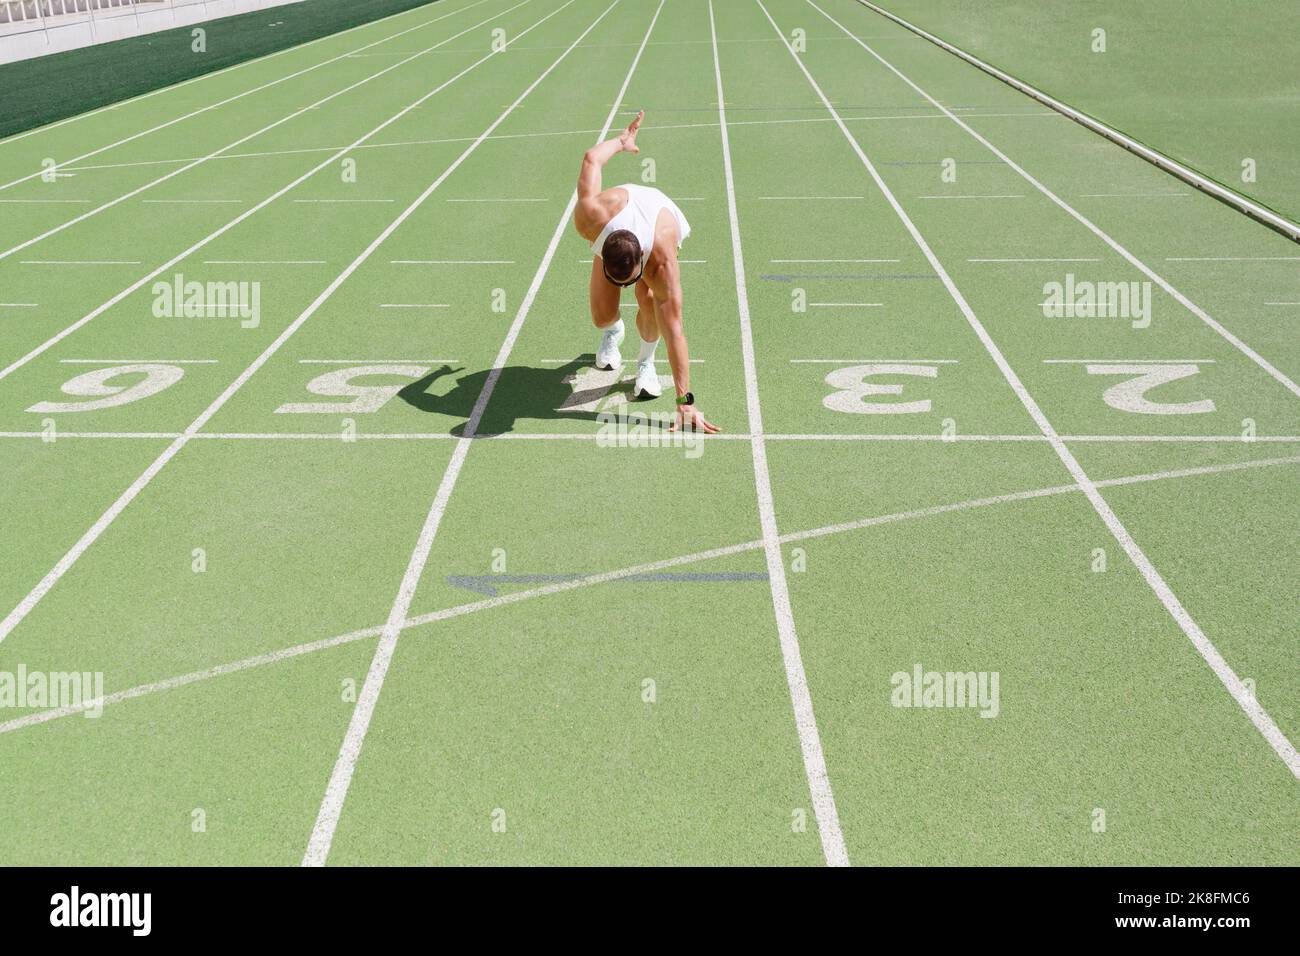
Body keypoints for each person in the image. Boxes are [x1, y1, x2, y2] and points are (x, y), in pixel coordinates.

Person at [572, 111, 719, 433]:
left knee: (652, 301)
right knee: (601, 316)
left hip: (657, 221)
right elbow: (591, 160)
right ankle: (613, 333)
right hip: (619, 225)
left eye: (629, 278)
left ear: (641, 262)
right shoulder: (591, 217)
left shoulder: (661, 258)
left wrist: (685, 402)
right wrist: (621, 142)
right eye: (615, 279)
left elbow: (675, 329)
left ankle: (645, 363)